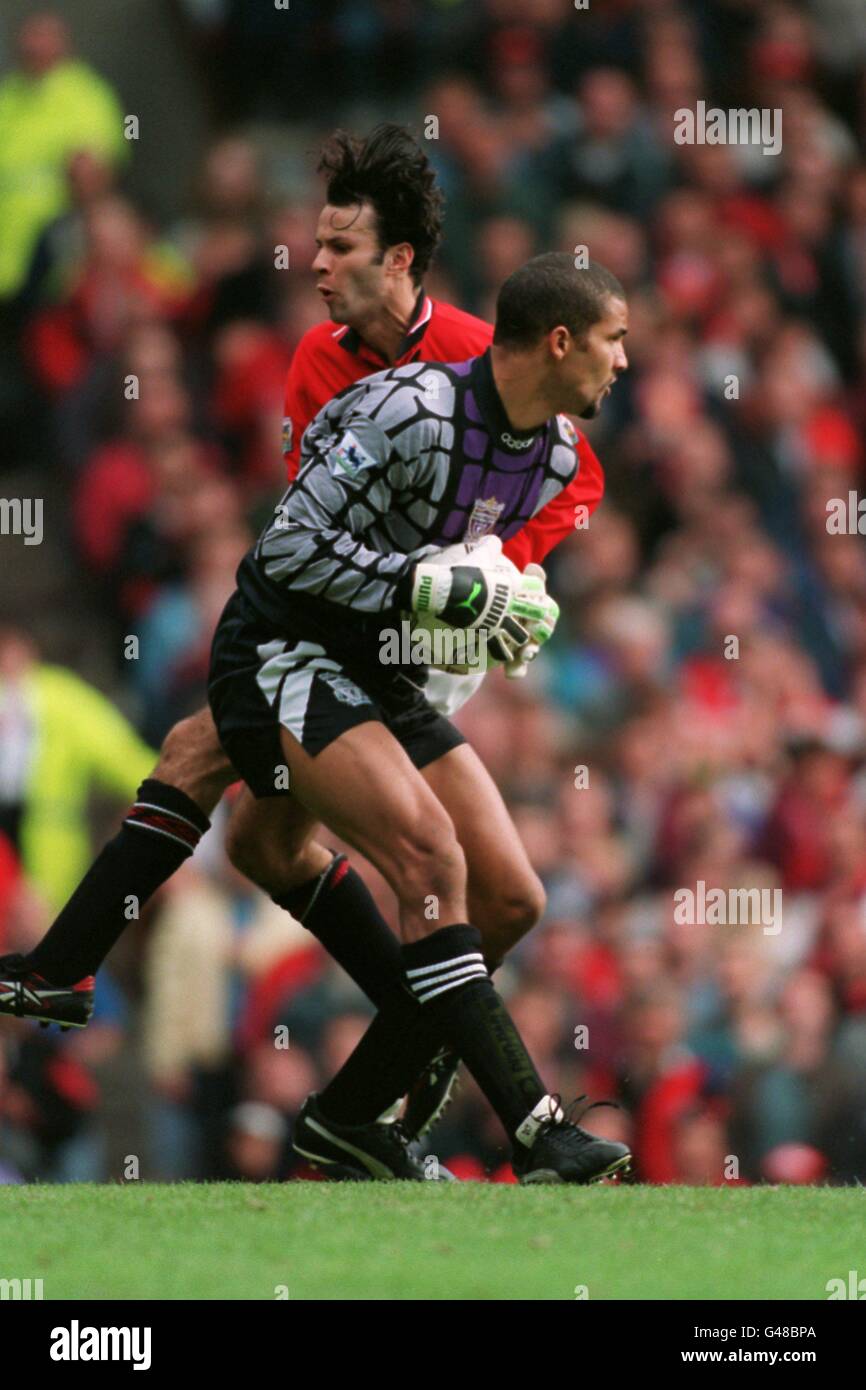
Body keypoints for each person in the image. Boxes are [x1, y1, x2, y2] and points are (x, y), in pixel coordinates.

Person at [0, 125, 604, 1164]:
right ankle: (424, 1082)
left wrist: (499, 571)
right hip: (330, 634)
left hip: (407, 649)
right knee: (255, 821)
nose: (311, 266)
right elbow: (311, 532)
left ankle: (80, 969)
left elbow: (571, 479)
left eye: (336, 249)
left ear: (399, 262)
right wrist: (425, 584)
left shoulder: (475, 351)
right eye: (313, 246)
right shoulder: (315, 362)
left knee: (272, 808)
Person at [208, 249, 631, 1183]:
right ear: (560, 343)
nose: (623, 361)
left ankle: (350, 1115)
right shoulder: (409, 410)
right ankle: (538, 1131)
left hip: (383, 672)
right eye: (614, 339)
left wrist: (507, 607)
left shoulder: (554, 453)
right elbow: (286, 552)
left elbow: (456, 579)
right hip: (284, 654)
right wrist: (422, 588)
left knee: (512, 900)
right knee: (432, 860)